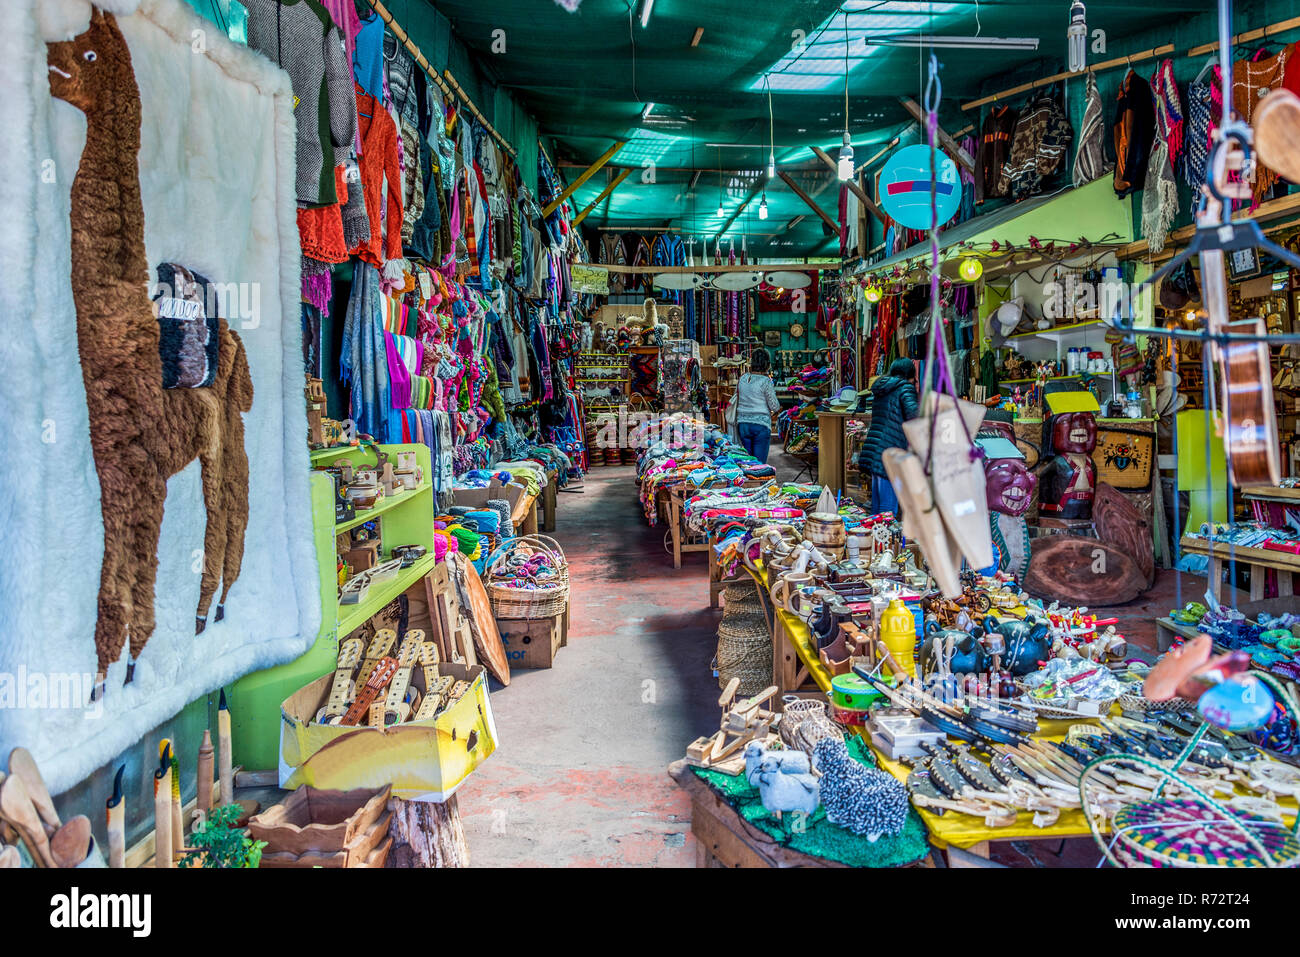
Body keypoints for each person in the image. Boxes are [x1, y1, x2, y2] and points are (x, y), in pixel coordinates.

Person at [858, 357, 920, 515]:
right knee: (887, 511)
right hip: (892, 452)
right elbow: (914, 417)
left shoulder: (882, 388)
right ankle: (882, 539)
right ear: (910, 374)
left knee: (878, 506)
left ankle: (874, 538)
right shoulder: (905, 388)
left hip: (877, 451)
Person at [735, 349, 780, 463]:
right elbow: (774, 406)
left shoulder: (743, 378)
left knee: (747, 463)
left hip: (743, 424)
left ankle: (747, 481)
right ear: (767, 364)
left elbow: (738, 397)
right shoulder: (765, 381)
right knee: (759, 465)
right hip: (761, 425)